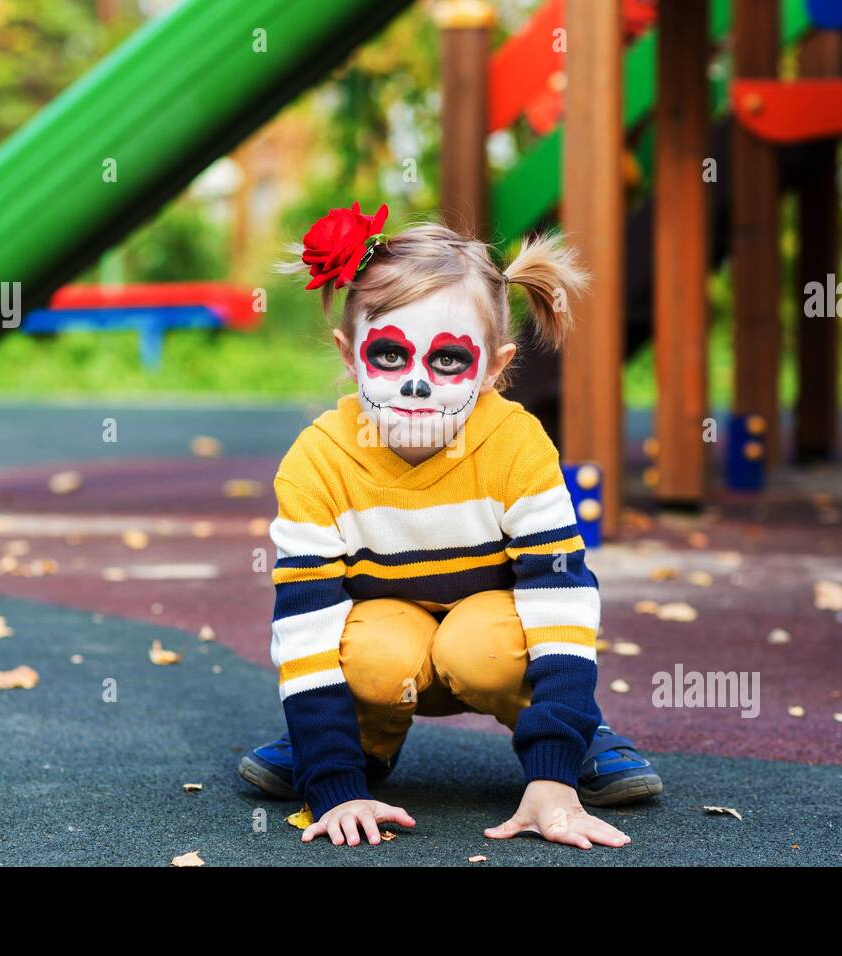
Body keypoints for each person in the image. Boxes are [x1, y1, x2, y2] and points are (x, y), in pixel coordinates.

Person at [239, 201, 662, 849]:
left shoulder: (517, 445)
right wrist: (332, 780)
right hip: (384, 636)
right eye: (388, 355)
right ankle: (359, 743)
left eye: (446, 361)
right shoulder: (319, 459)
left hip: (493, 633)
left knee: (482, 647)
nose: (414, 384)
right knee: (378, 653)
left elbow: (561, 604)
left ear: (494, 368)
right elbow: (306, 628)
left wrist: (552, 777)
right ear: (350, 356)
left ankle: (576, 741)